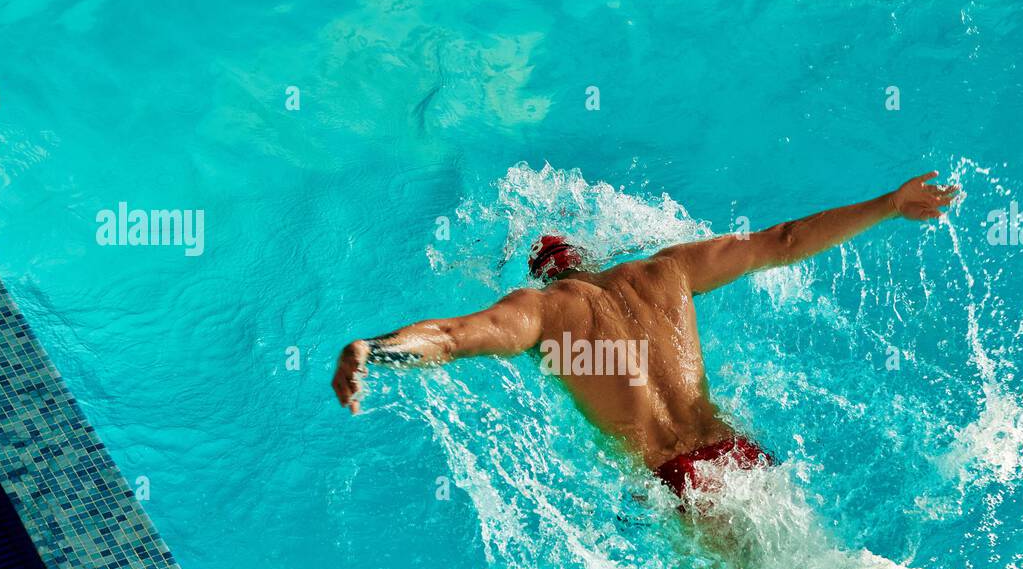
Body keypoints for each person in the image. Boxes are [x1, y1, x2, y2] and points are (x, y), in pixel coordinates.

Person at [332, 172, 957, 501]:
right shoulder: (670, 270)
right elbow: (783, 240)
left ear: (541, 276)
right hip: (744, 458)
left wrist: (375, 350)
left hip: (680, 480)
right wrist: (889, 204)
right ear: (590, 256)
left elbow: (453, 336)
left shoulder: (543, 311)